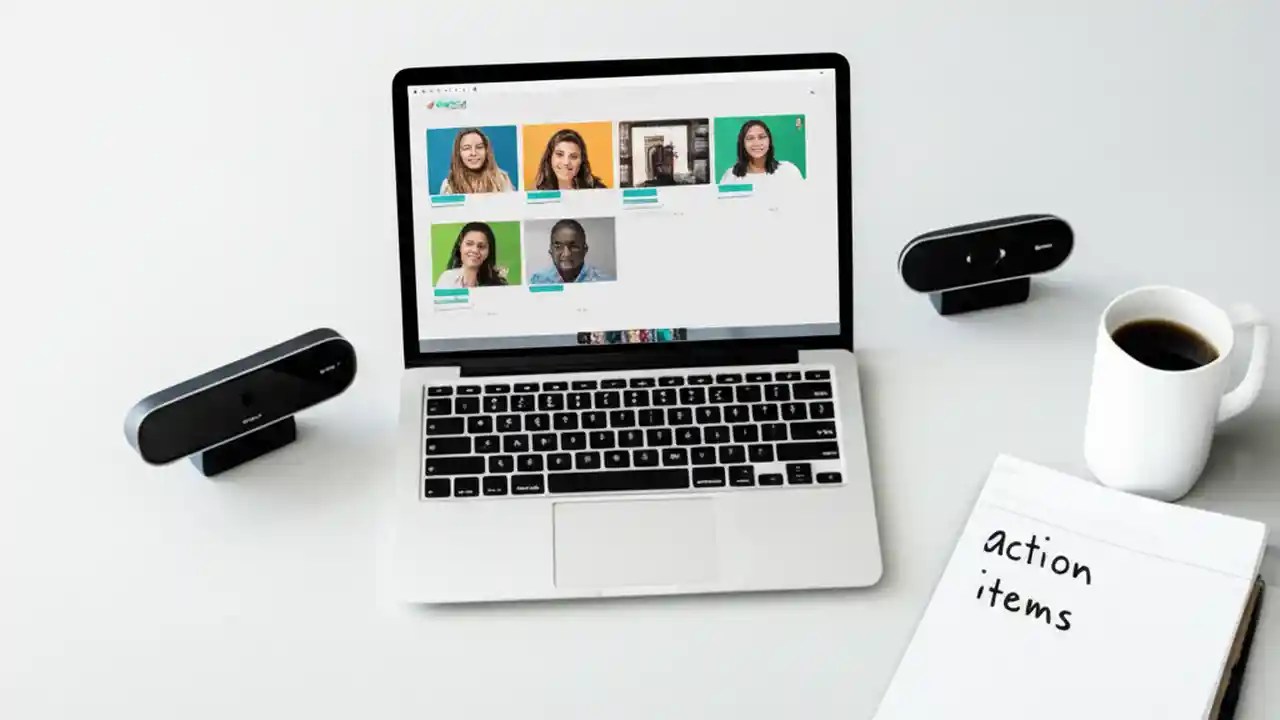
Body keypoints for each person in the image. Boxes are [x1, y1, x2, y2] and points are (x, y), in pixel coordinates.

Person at [718, 119, 803, 185]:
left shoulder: (788, 171)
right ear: (742, 144)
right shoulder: (730, 176)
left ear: (769, 141)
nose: (757, 143)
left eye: (762, 137)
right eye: (750, 138)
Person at [528, 218, 614, 284]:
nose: (566, 254)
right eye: (558, 246)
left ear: (585, 250)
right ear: (550, 251)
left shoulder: (604, 281)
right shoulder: (537, 282)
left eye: (573, 246)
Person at [438, 128, 515, 194]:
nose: (474, 153)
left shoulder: (502, 180)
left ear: (487, 151)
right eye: (467, 148)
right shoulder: (448, 185)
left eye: (479, 147)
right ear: (459, 153)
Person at [435, 222, 510, 288]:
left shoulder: (498, 285)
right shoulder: (447, 279)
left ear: (489, 251)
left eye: (481, 246)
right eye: (469, 244)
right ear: (460, 246)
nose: (475, 250)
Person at [533, 129, 607, 190]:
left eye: (573, 157)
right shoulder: (539, 192)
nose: (566, 162)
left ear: (582, 161)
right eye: (559, 154)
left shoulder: (599, 191)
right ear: (550, 157)